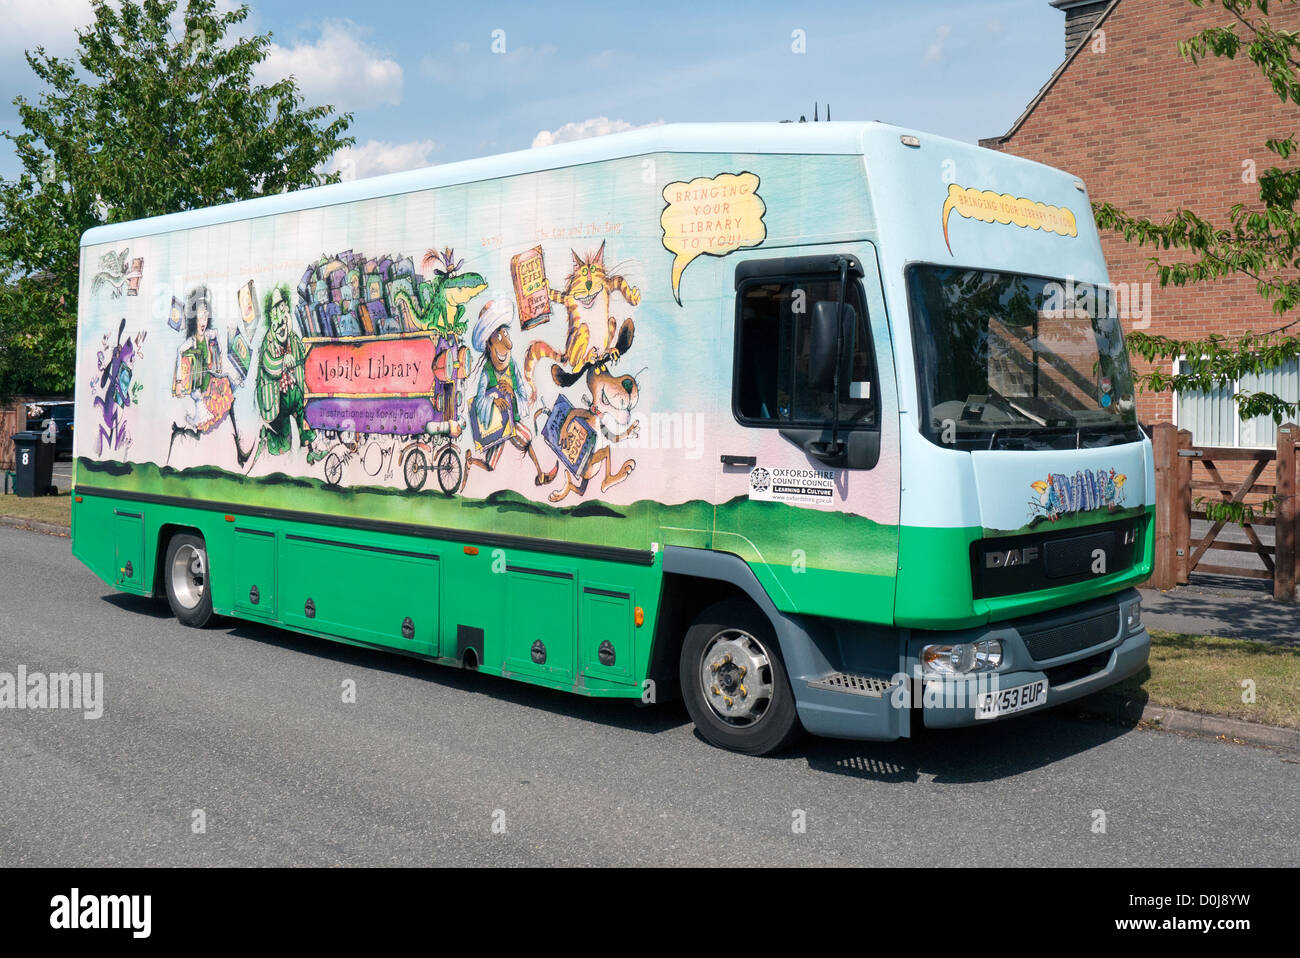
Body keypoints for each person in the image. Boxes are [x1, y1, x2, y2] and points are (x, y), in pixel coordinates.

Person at [464, 297, 556, 488]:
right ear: (489, 344)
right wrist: (494, 400)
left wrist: (513, 392)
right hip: (497, 427)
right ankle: (471, 461)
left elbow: (520, 390)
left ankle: (540, 475)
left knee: (527, 439)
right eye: (499, 337)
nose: (507, 344)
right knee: (490, 466)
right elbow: (479, 400)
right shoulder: (486, 372)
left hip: (511, 422)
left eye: (506, 334)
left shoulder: (512, 365)